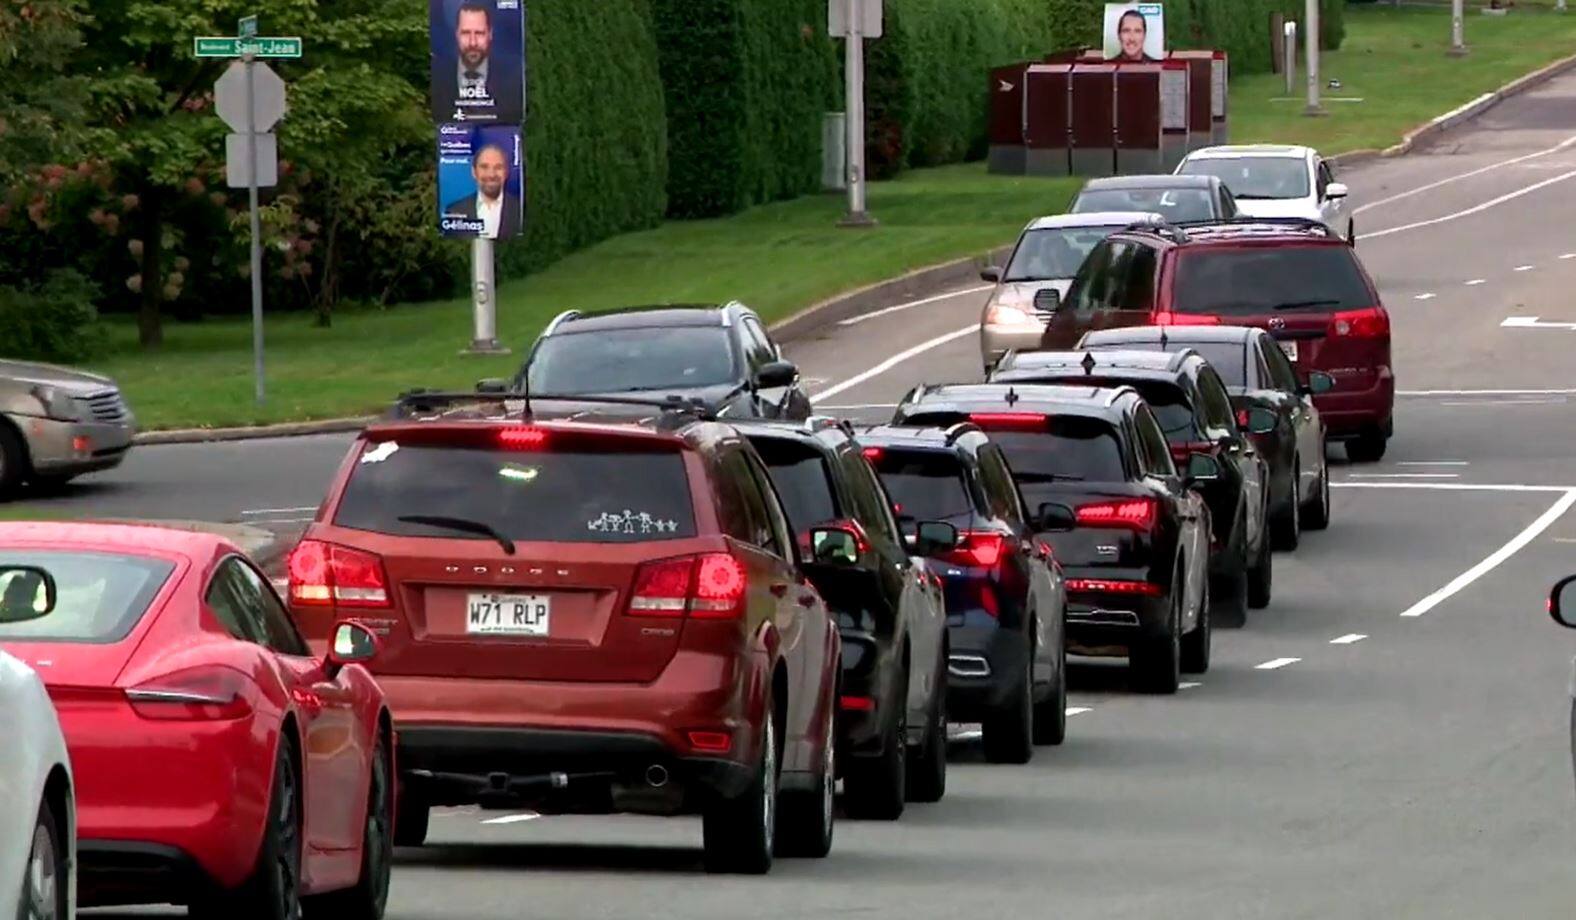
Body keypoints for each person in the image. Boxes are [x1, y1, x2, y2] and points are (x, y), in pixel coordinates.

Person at [431, 1, 515, 122]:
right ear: (456, 34)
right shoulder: (438, 75)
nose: (472, 43)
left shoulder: (512, 78)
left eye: (479, 33)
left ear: (490, 34)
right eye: (465, 33)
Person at [444, 143, 520, 239]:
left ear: (506, 172)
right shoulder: (454, 211)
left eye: (498, 167)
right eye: (484, 167)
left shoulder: (520, 209)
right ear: (474, 172)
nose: (491, 174)